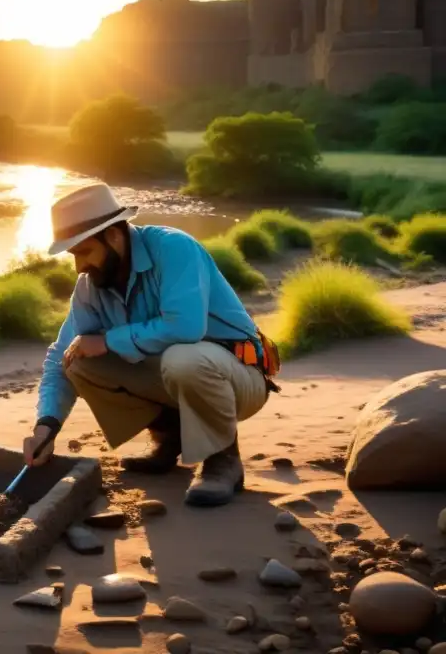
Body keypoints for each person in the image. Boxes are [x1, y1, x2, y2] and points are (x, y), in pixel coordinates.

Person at [22, 182, 276, 507]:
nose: (78, 266)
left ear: (113, 236)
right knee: (78, 359)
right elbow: (61, 355)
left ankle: (222, 459)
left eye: (84, 251)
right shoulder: (90, 286)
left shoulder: (175, 249)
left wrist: (109, 340)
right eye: (74, 255)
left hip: (240, 378)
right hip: (178, 378)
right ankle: (170, 438)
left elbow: (185, 326)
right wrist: (46, 427)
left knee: (183, 359)